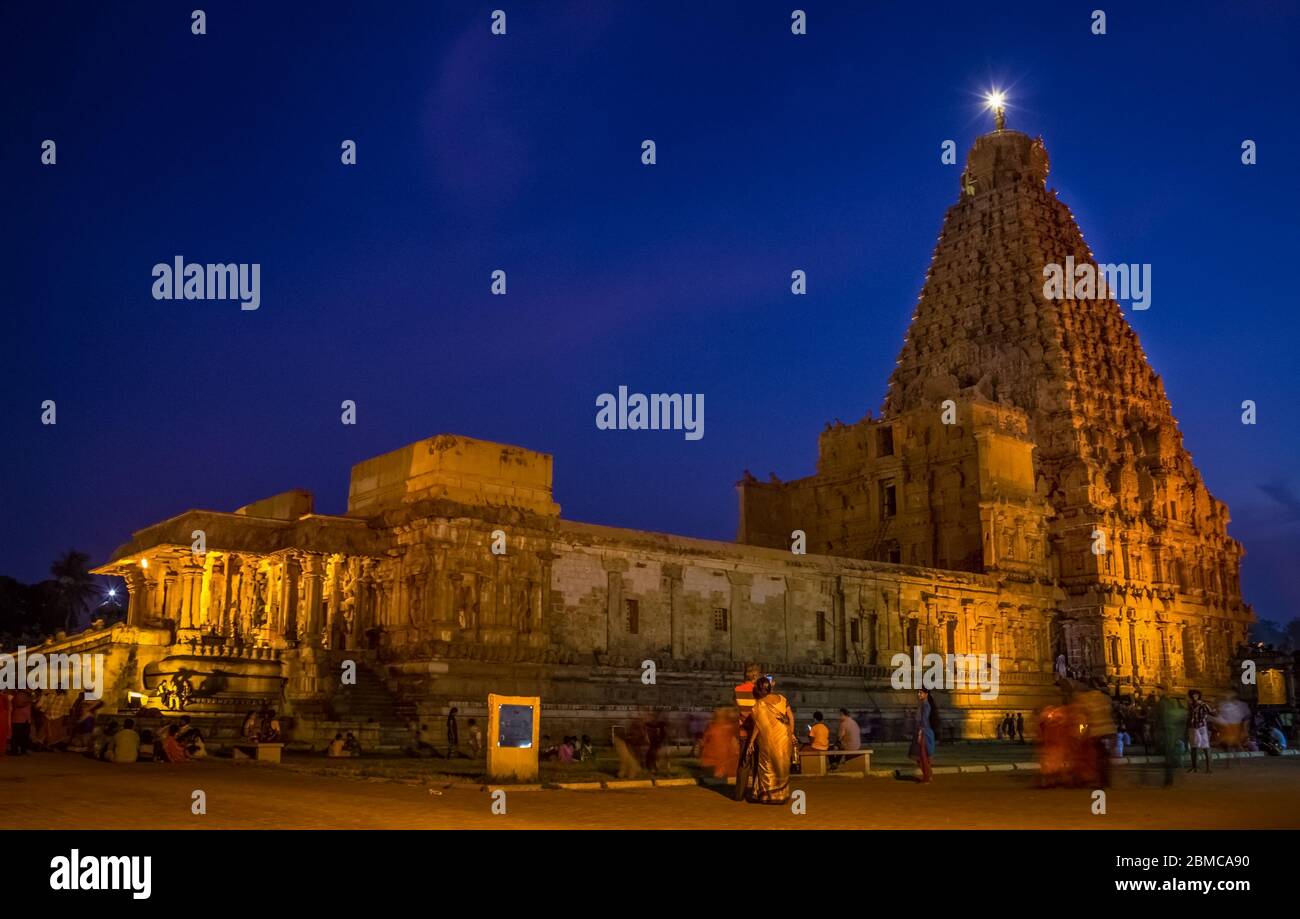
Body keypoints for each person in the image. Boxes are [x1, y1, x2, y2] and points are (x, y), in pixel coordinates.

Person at [744, 675, 796, 804]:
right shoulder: (783, 699)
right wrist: (791, 733)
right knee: (781, 765)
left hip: (768, 738)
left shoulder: (760, 704)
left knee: (767, 766)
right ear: (770, 687)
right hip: (784, 736)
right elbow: (791, 717)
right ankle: (781, 796)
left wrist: (751, 741)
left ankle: (768, 796)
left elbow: (758, 725)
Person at [732, 663, 762, 800]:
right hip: (757, 733)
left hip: (743, 732)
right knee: (757, 763)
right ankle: (755, 793)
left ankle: (739, 794)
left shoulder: (737, 689)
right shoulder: (758, 691)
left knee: (744, 763)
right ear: (755, 676)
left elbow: (736, 710)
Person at [699, 706, 740, 779]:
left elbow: (722, 750)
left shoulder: (721, 728)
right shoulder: (715, 727)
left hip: (714, 766)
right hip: (713, 765)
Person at [911, 689, 939, 783]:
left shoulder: (926, 705)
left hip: (924, 733)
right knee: (920, 756)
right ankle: (928, 776)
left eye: (921, 693)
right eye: (918, 692)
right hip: (924, 731)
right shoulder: (924, 704)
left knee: (922, 756)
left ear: (926, 694)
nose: (919, 694)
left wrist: (920, 733)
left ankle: (927, 777)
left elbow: (924, 720)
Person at [1185, 689, 1216, 773]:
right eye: (1193, 695)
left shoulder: (1203, 705)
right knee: (1194, 748)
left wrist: (1216, 710)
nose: (1195, 696)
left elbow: (1212, 713)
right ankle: (1194, 767)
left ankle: (1209, 768)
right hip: (1192, 728)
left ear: (1199, 696)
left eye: (1196, 695)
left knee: (1205, 747)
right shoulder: (1190, 705)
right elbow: (1188, 716)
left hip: (1202, 727)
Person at [9, 690, 33, 755]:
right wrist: (29, 701)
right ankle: (14, 751)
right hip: (18, 719)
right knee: (16, 736)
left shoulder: (28, 696)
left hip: (26, 719)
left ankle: (23, 750)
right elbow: (19, 704)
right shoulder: (19, 695)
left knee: (25, 736)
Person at [0, 691, 11, 757]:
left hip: (2, 718)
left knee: (2, 734)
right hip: (2, 718)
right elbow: (8, 708)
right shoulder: (4, 697)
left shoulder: (4, 697)